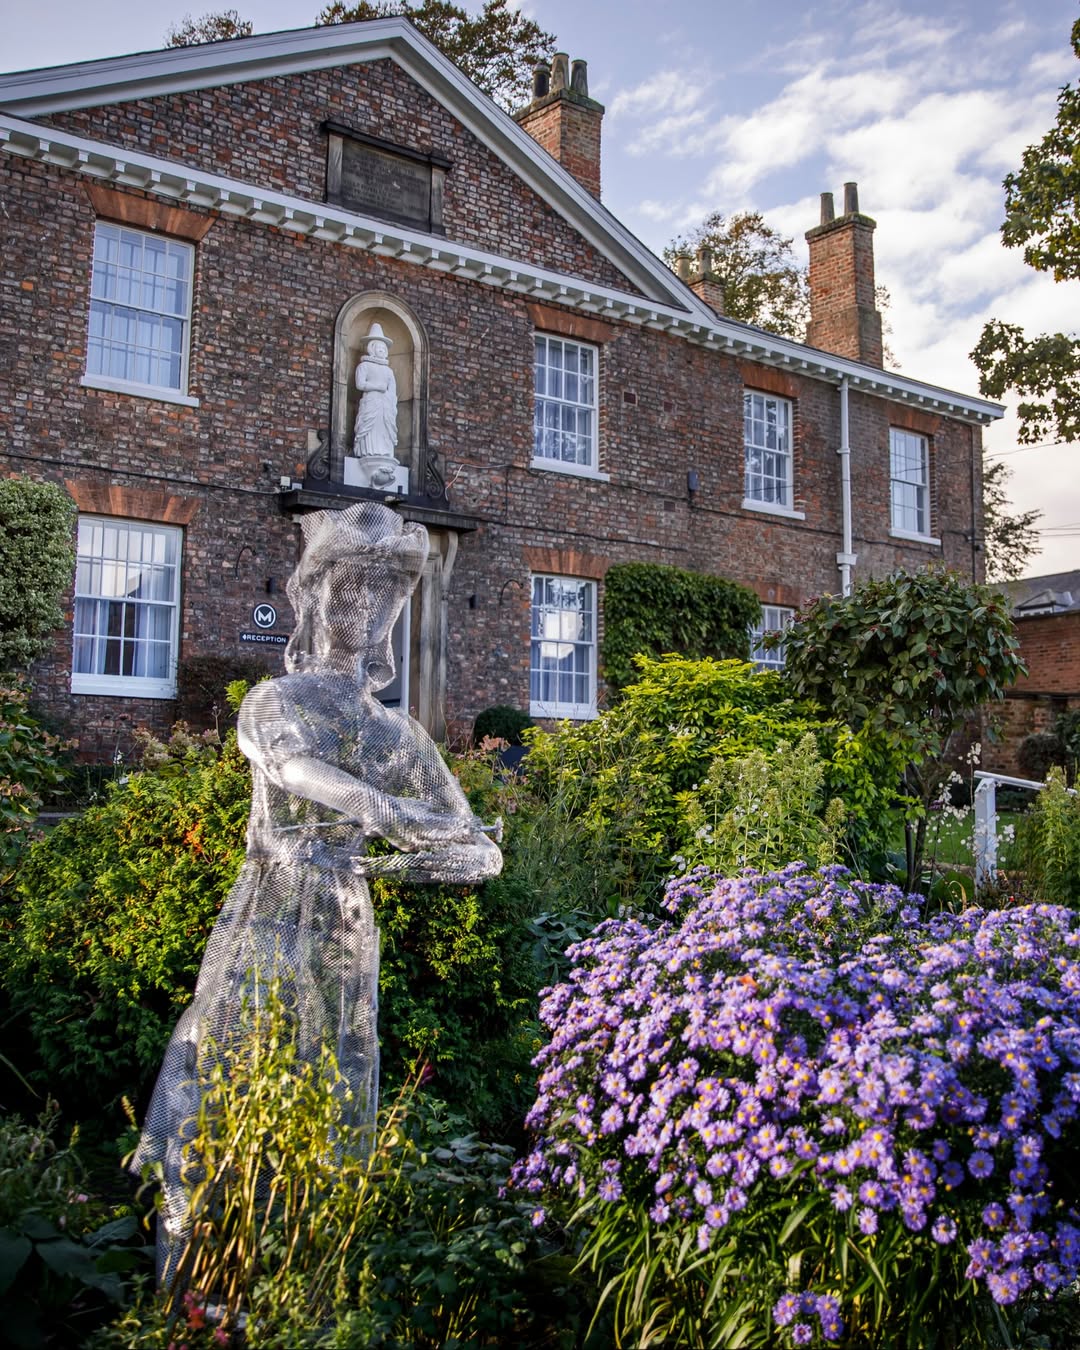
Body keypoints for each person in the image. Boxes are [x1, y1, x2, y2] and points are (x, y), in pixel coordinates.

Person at [131, 501, 501, 1284]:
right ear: (314, 593)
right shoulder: (277, 703)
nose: (365, 609)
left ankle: (304, 1266)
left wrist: (396, 866)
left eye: (385, 594)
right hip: (272, 909)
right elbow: (296, 770)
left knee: (330, 1088)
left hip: (343, 922)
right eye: (349, 587)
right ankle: (198, 1273)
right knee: (232, 1070)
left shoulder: (401, 736)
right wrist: (390, 813)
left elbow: (479, 851)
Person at [352, 322, 398, 460]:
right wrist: (377, 387)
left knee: (384, 428)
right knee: (369, 427)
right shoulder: (364, 366)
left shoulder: (388, 371)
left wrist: (390, 404)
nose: (382, 350)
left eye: (384, 348)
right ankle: (367, 452)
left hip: (385, 406)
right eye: (379, 347)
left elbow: (393, 391)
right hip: (371, 402)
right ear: (372, 348)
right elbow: (360, 384)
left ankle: (384, 452)